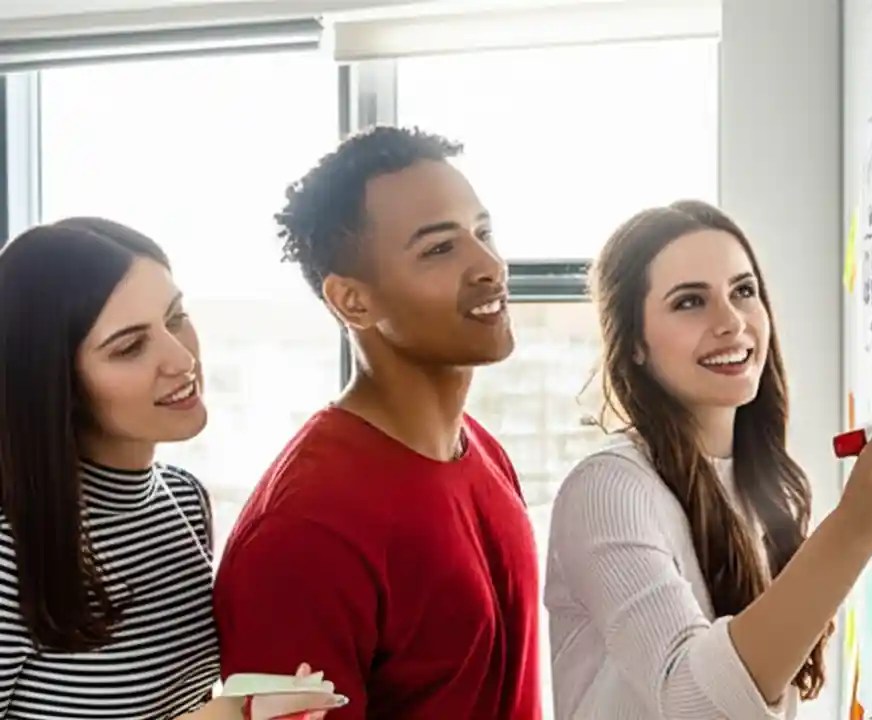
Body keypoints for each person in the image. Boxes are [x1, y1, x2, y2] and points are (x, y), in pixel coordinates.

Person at [543, 200, 872, 719]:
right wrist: (854, 528)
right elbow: (694, 704)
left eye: (743, 291)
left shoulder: (757, 488)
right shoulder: (608, 489)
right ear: (635, 343)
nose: (731, 321)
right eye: (689, 302)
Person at [213, 126, 540, 720]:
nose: (490, 265)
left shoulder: (482, 451)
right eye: (440, 249)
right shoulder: (305, 528)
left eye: (483, 233)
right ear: (353, 302)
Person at [0, 218, 338, 720]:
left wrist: (247, 704)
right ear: (57, 384)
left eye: (176, 317)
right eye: (130, 347)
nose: (182, 359)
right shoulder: (12, 547)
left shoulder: (184, 499)